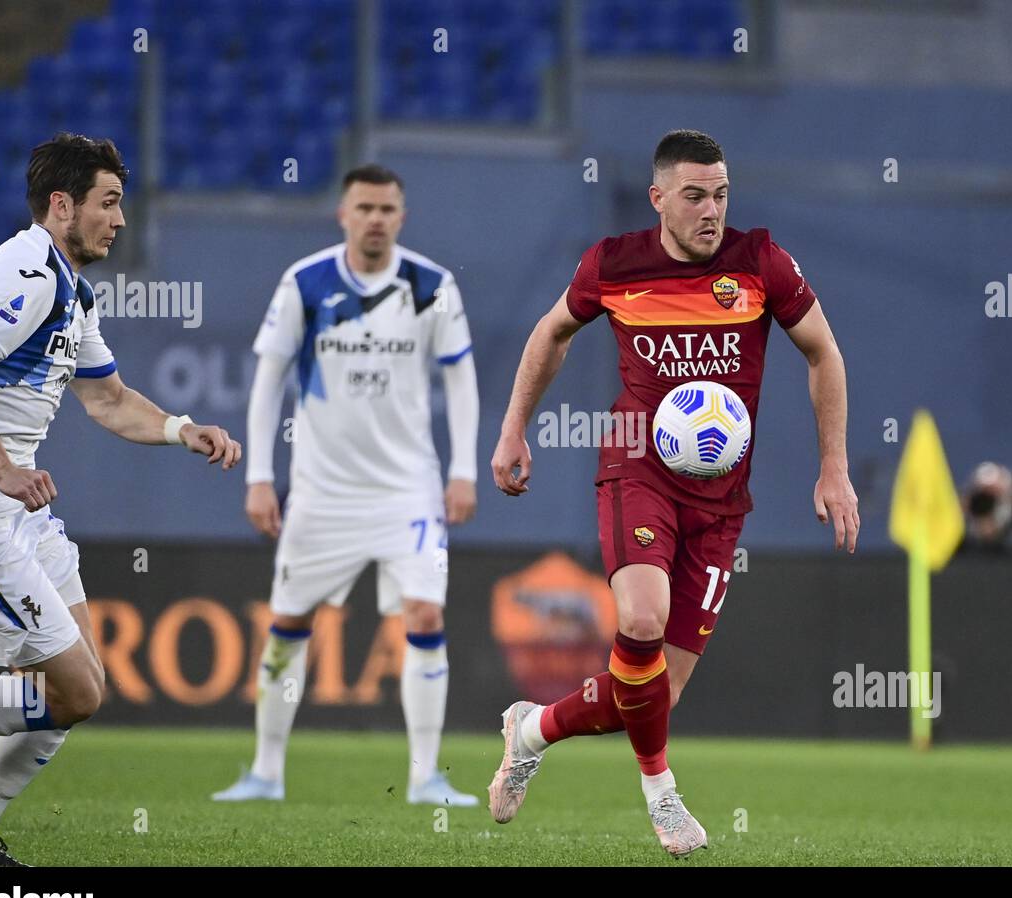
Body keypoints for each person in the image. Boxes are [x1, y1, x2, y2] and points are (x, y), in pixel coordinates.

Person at [488, 129, 859, 856]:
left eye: (721, 194)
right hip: (638, 467)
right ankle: (663, 797)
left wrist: (834, 466)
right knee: (643, 617)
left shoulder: (761, 264)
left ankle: (530, 730)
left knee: (652, 696)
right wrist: (513, 430)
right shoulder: (615, 264)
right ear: (659, 198)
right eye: (694, 196)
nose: (711, 210)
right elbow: (552, 332)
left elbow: (823, 351)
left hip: (722, 499)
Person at [0, 133, 242, 866]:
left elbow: (108, 399)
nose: (120, 220)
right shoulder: (24, 270)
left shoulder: (72, 292)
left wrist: (181, 428)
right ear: (61, 204)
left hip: (20, 510)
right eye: (108, 203)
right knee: (67, 688)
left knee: (80, 692)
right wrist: (0, 464)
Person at [212, 164, 480, 808]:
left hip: (408, 491)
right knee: (289, 620)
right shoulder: (304, 283)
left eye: (388, 208)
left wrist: (463, 468)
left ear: (402, 216)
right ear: (343, 214)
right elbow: (269, 378)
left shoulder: (431, 286)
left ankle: (425, 777)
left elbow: (461, 379)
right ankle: (266, 772)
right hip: (321, 493)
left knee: (425, 613)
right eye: (364, 207)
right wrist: (258, 478)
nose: (376, 219)